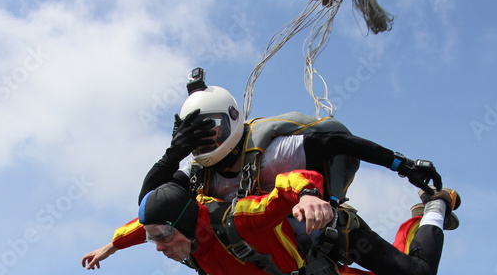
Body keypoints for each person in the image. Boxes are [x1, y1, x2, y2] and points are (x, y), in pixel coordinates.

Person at [83, 168, 460, 275]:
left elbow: (285, 185)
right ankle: (419, 220)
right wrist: (112, 245)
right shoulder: (178, 229)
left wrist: (309, 194)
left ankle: (430, 210)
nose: (161, 247)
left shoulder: (240, 221)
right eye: (154, 240)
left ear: (183, 222)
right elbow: (142, 224)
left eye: (163, 237)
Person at [138, 71, 446, 212]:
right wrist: (172, 154)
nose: (204, 142)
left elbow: (340, 143)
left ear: (232, 119)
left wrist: (403, 165)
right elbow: (147, 203)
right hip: (268, 262)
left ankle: (434, 209)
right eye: (192, 136)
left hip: (313, 226)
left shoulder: (272, 154)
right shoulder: (197, 177)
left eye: (212, 129)